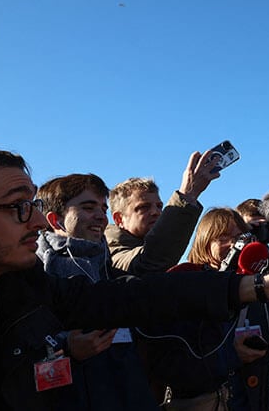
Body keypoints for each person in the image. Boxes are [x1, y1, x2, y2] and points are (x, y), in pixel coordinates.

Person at [0, 126, 269, 409]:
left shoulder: (27, 288)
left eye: (32, 204)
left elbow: (142, 294)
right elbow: (149, 269)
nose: (35, 221)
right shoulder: (57, 270)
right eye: (19, 206)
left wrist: (254, 286)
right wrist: (66, 350)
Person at [144, 207, 269, 410]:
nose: (234, 244)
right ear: (204, 242)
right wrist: (231, 355)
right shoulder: (184, 281)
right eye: (223, 237)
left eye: (240, 237)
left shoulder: (258, 286)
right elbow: (166, 364)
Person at [35, 173, 158, 409]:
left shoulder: (112, 272)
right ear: (55, 219)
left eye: (103, 208)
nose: (101, 217)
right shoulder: (34, 273)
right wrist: (67, 348)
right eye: (88, 207)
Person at [106, 150, 221, 275]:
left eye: (160, 206)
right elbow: (148, 263)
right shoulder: (108, 254)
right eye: (144, 207)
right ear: (119, 219)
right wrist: (187, 196)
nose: (156, 212)